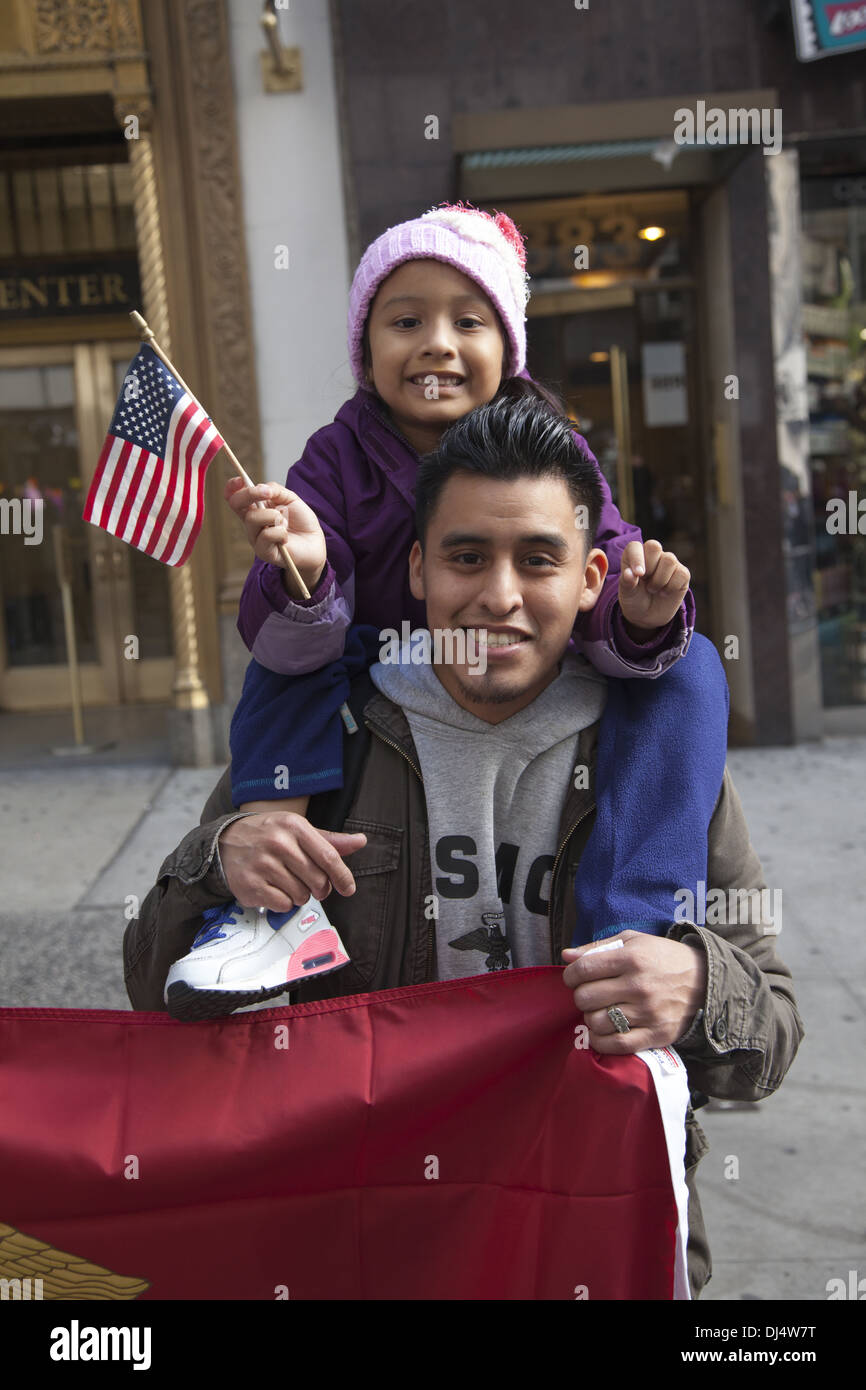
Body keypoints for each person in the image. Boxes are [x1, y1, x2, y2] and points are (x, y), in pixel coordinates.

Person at [124, 394, 804, 1299]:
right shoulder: (326, 744)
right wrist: (215, 864)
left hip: (593, 1229)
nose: (499, 595)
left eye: (538, 559)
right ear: (416, 568)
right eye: (466, 557)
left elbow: (774, 1034)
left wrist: (699, 986)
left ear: (593, 577)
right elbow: (151, 983)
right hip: (368, 1238)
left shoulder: (663, 766)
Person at [184, 201, 706, 1007]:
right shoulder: (337, 453)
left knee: (688, 664)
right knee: (287, 669)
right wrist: (306, 571)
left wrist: (640, 615)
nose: (437, 342)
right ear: (366, 349)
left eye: (469, 321)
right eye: (406, 320)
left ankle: (636, 930)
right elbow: (295, 630)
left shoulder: (551, 450)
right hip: (375, 662)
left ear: (508, 350)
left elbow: (601, 569)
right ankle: (267, 912)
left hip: (531, 667)